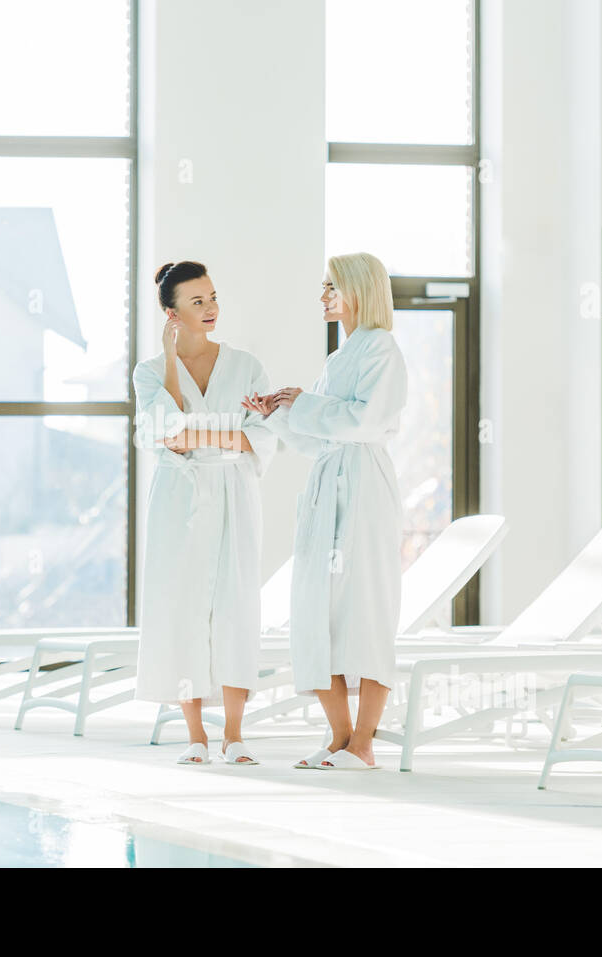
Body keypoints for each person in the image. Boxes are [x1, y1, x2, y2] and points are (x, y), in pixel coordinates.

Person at [242, 252, 407, 770]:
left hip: (363, 490)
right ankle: (339, 737)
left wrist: (304, 402)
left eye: (331, 287)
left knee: (365, 610)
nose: (323, 296)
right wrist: (278, 416)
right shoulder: (340, 358)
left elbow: (364, 421)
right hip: (328, 483)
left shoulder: (382, 350)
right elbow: (317, 442)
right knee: (315, 612)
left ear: (357, 290)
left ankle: (364, 743)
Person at [133, 261, 277, 766]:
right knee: (184, 608)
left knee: (237, 605)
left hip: (235, 493)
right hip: (180, 500)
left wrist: (200, 437)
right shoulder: (150, 372)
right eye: (197, 302)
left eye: (213, 297)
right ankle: (195, 736)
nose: (211, 308)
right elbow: (164, 430)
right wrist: (172, 362)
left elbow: (260, 436)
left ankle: (234, 736)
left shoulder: (246, 365)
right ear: (171, 312)